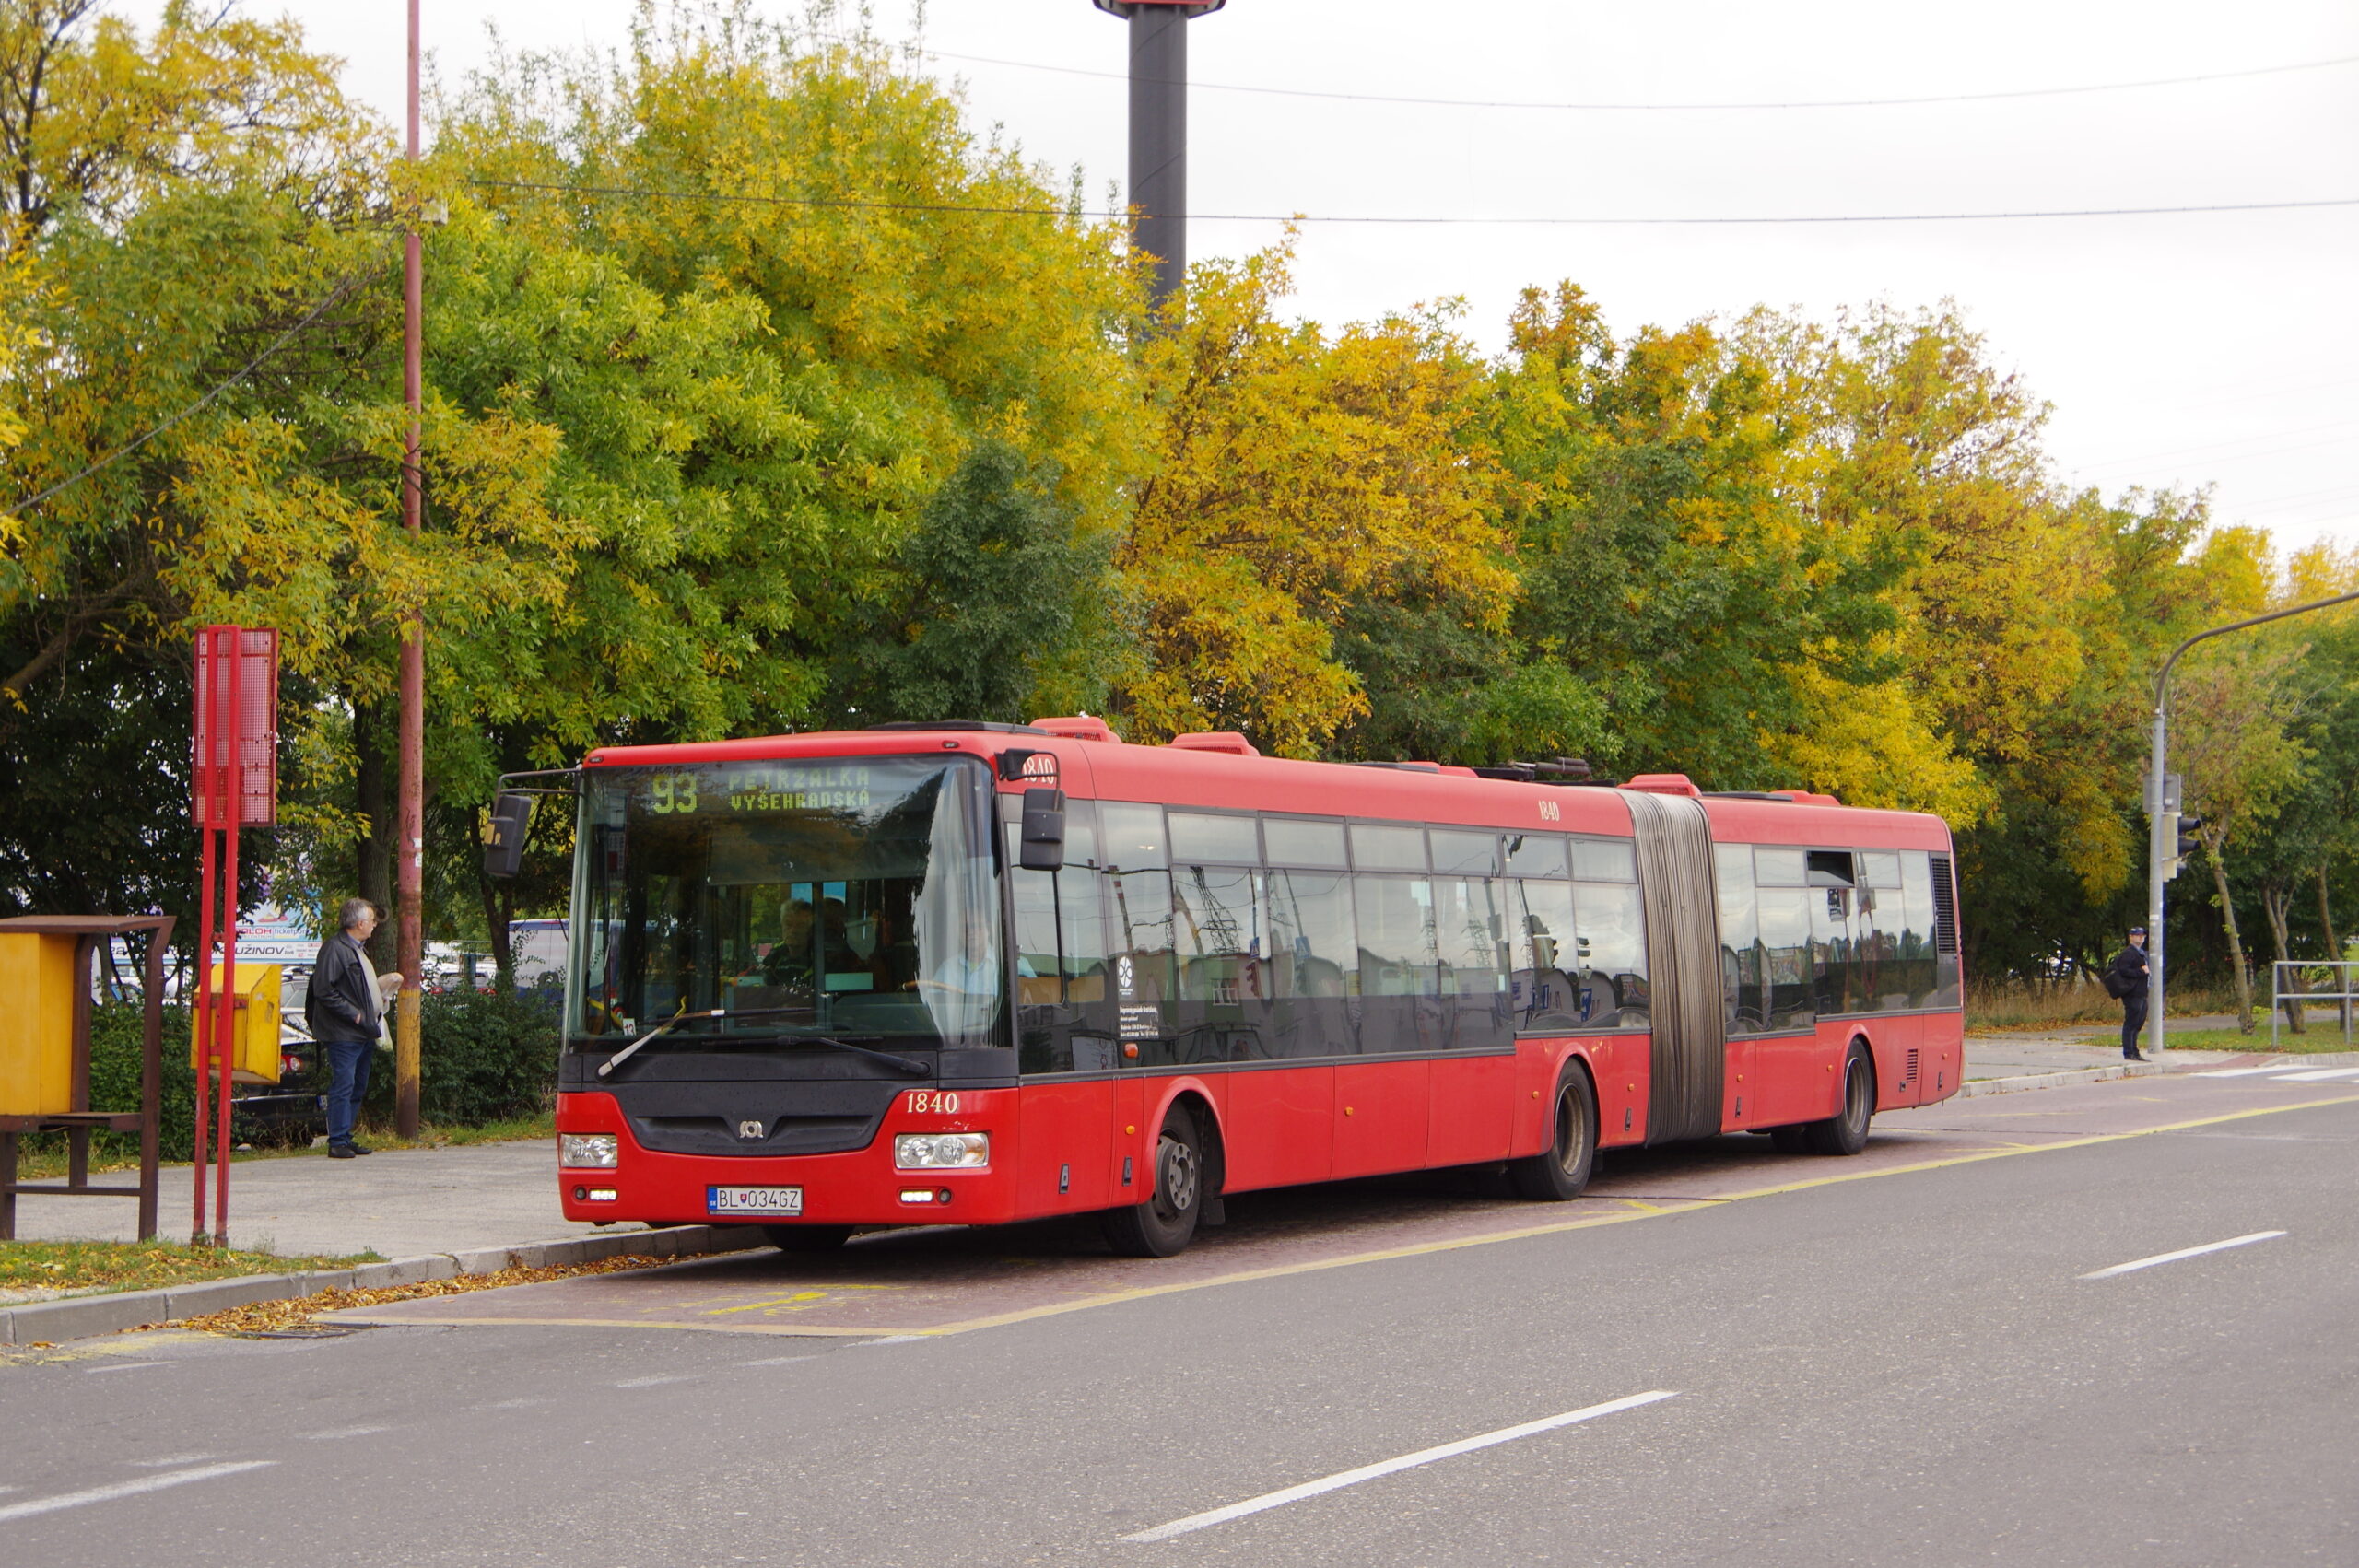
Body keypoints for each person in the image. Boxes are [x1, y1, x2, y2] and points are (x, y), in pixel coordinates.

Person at [307, 899, 388, 1157]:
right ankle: (337, 1141)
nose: (374, 925)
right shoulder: (335, 949)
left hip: (362, 1031)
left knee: (357, 1086)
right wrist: (354, 1015)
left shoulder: (356, 949)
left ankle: (345, 1135)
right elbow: (324, 990)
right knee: (344, 1084)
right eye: (372, 921)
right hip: (344, 1032)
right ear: (360, 923)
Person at [2109, 925, 2152, 1061]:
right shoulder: (2128, 953)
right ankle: (2129, 1052)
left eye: (2143, 935)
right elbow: (2123, 971)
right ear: (2131, 937)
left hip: (2141, 992)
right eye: (2138, 935)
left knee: (2138, 1023)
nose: (2141, 937)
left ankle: (2135, 1051)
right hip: (2132, 993)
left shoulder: (2141, 953)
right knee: (2131, 1023)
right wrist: (2141, 971)